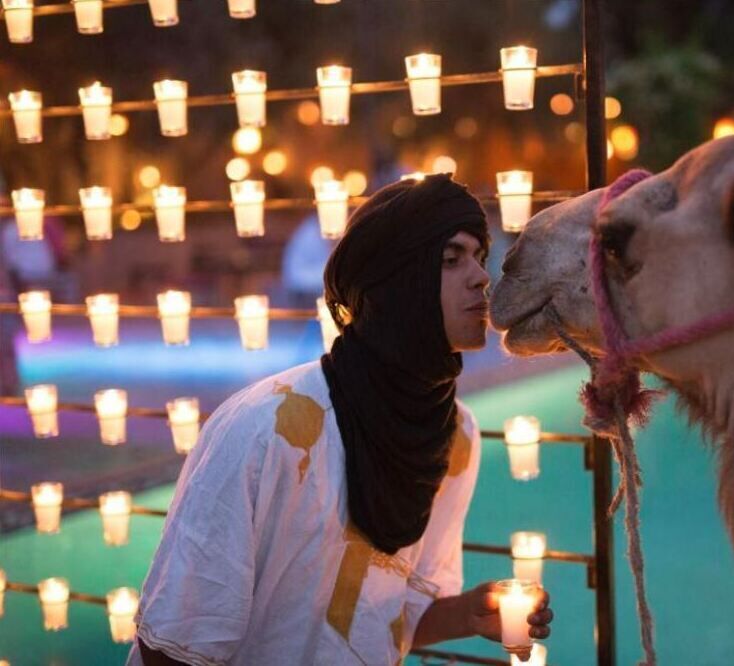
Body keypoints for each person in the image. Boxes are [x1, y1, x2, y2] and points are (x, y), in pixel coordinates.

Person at [128, 175, 553, 665]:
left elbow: (386, 620)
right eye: (451, 259)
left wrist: (466, 615)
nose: (481, 277)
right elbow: (173, 643)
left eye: (479, 257)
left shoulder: (454, 436)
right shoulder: (269, 426)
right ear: (395, 282)